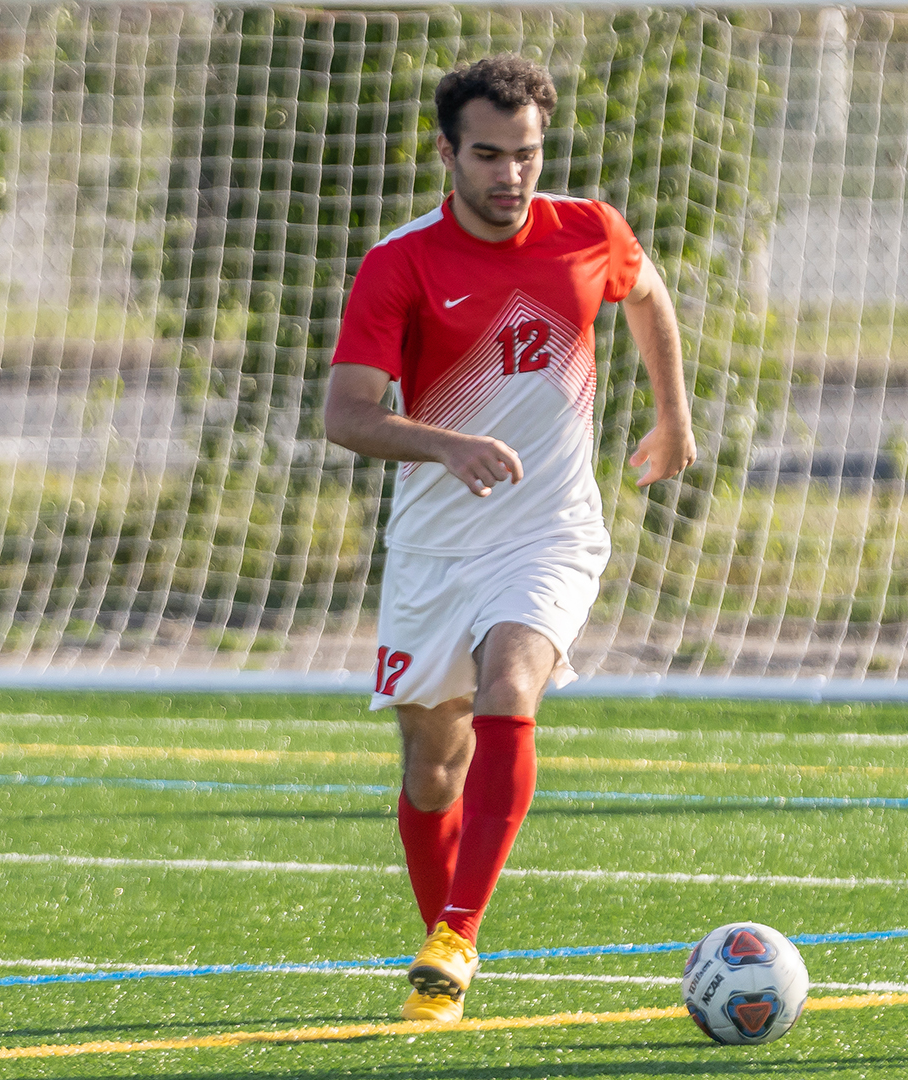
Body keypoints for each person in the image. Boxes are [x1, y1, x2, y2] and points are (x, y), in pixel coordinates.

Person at [324, 54, 695, 1024]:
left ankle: (455, 936)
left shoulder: (588, 232)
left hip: (551, 531)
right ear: (448, 151)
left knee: (510, 685)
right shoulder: (400, 263)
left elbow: (648, 294)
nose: (510, 175)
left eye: (525, 154)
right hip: (438, 545)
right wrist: (443, 444)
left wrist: (674, 420)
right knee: (430, 762)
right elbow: (348, 414)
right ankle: (439, 927)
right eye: (488, 155)